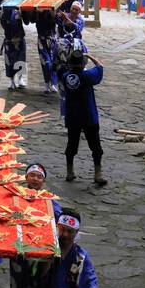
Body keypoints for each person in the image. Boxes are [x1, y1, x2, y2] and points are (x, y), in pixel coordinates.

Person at [37, 211, 98, 288]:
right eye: (62, 229)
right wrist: (45, 263)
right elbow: (35, 278)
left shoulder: (80, 257)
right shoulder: (45, 250)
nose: (65, 234)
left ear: (76, 233)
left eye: (70, 231)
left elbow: (91, 281)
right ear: (57, 227)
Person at [60, 50, 106, 186]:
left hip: (72, 116)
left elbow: (61, 69)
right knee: (95, 146)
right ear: (82, 64)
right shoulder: (87, 76)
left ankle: (70, 171)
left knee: (72, 144)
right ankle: (98, 173)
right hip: (88, 116)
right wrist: (90, 56)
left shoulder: (66, 77)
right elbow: (100, 67)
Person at [0, 0, 27, 90]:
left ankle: (20, 78)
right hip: (9, 40)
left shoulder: (17, 11)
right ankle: (11, 80)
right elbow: (5, 26)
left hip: (20, 39)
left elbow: (26, 21)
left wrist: (24, 12)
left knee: (21, 59)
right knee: (10, 62)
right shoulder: (2, 14)